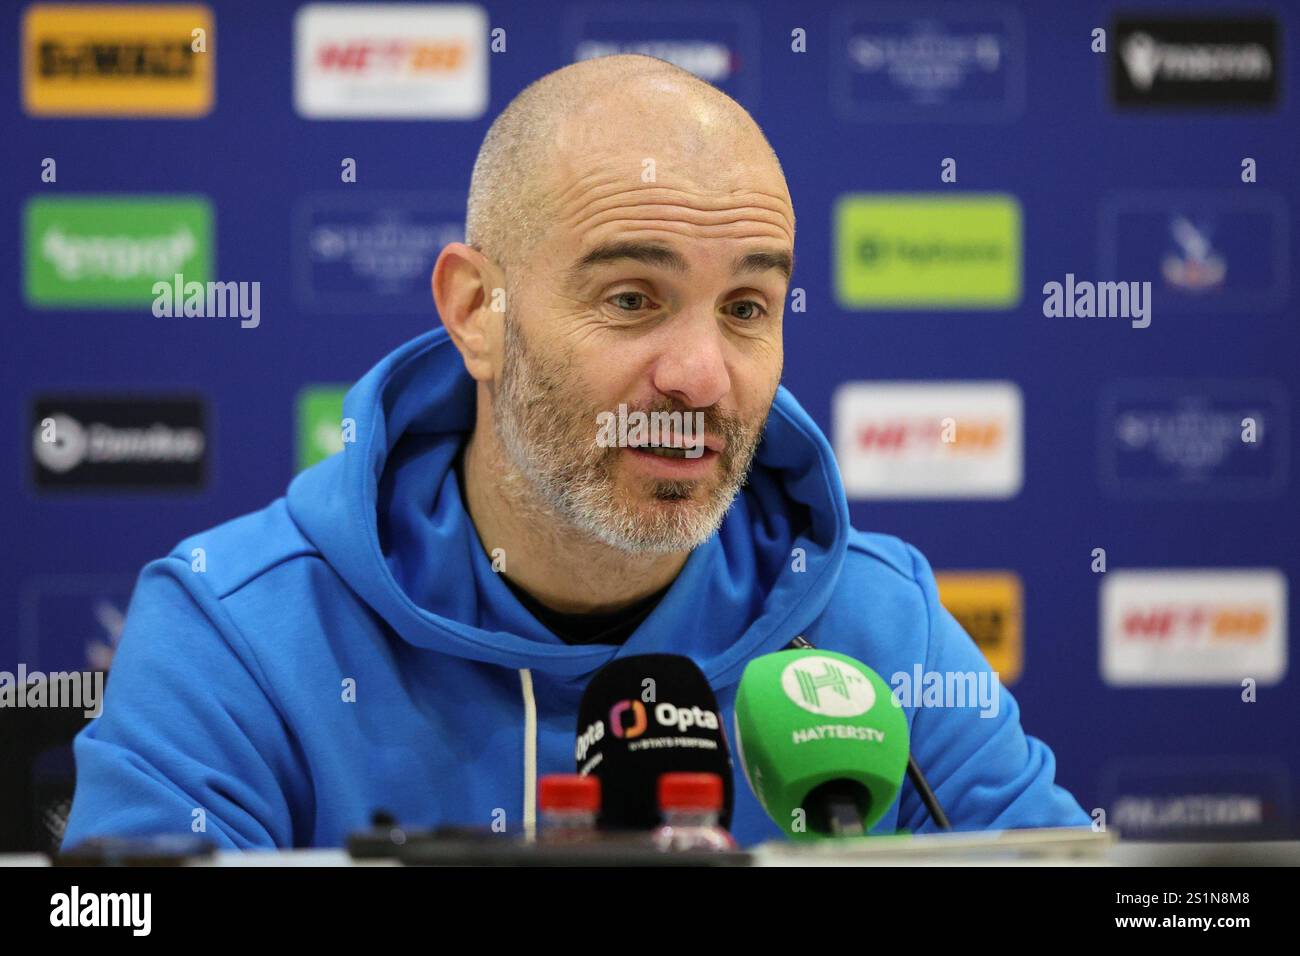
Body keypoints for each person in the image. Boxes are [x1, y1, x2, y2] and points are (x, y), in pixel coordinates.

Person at [63, 54, 1088, 850]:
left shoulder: (871, 626)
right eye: (632, 298)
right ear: (477, 311)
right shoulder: (235, 632)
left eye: (745, 307)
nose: (698, 374)